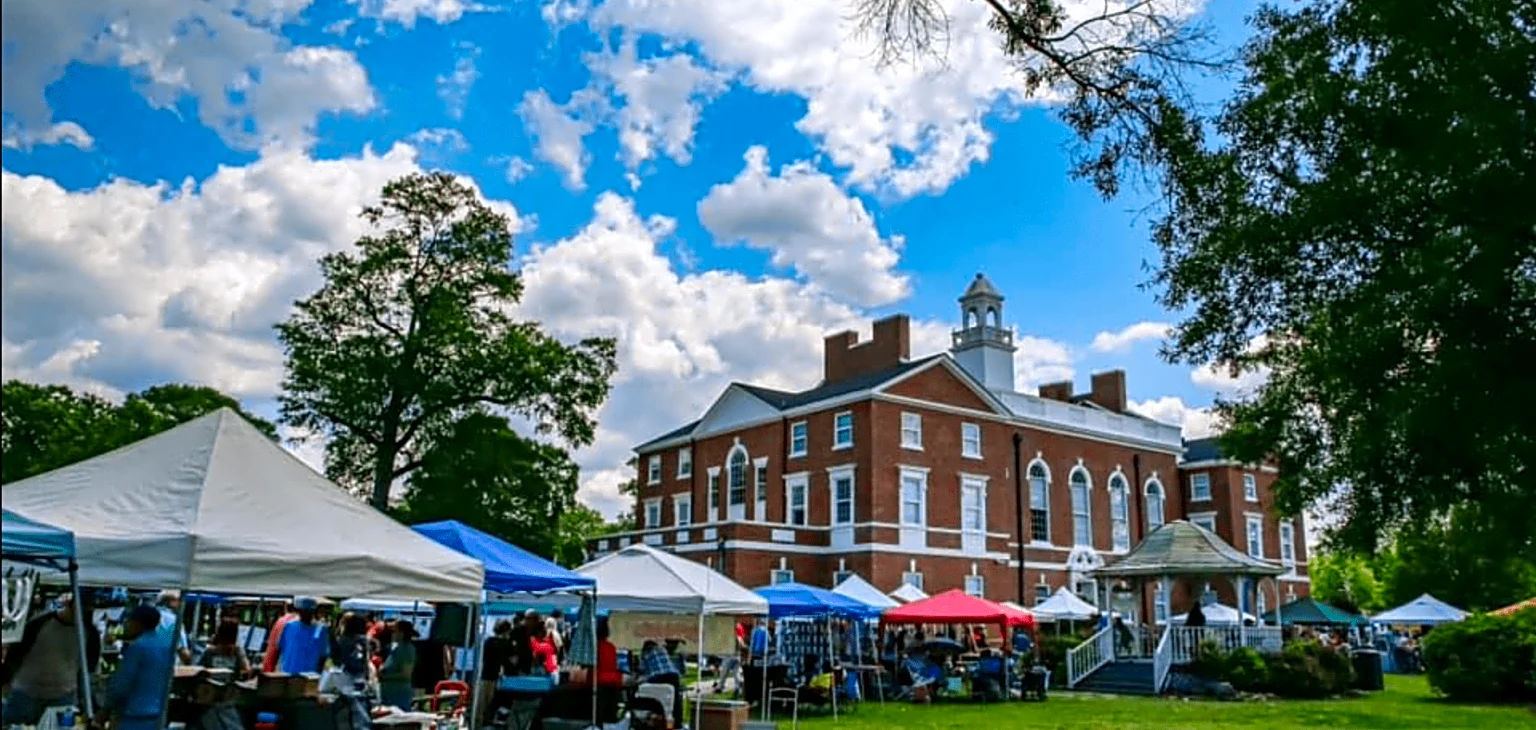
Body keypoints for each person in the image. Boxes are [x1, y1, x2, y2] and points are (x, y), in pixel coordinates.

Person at [1, 592, 101, 725]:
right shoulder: (40, 623)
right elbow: (15, 654)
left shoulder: (89, 633)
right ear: (69, 606)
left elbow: (89, 668)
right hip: (27, 692)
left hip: (63, 695)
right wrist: (5, 680)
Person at [98, 605, 173, 730]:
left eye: (128, 621)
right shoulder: (165, 645)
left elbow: (122, 684)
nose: (125, 625)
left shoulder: (137, 647)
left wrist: (105, 710)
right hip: (157, 714)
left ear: (137, 623)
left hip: (133, 715)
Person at [475, 620, 516, 728]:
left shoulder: (488, 641)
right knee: (492, 708)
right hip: (498, 679)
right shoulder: (507, 644)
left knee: (481, 707)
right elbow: (513, 661)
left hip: (485, 676)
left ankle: (478, 726)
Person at [276, 597, 328, 674]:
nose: (306, 614)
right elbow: (280, 648)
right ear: (299, 611)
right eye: (303, 611)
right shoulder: (289, 626)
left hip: (309, 675)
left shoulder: (320, 629)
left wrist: (317, 674)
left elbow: (323, 655)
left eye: (309, 611)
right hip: (289, 672)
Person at [378, 621, 417, 711]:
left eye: (394, 631)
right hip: (388, 696)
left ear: (401, 633)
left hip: (399, 696)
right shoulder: (395, 648)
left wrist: (384, 676)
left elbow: (406, 674)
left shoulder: (407, 649)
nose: (392, 634)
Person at [156, 590, 194, 664]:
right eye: (178, 600)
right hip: (165, 664)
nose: (179, 603)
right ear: (171, 601)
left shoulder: (148, 615)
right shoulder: (175, 621)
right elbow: (183, 652)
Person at [262, 600, 300, 673]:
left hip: (284, 670)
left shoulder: (282, 622)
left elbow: (272, 651)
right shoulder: (313, 625)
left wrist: (267, 671)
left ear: (286, 606)